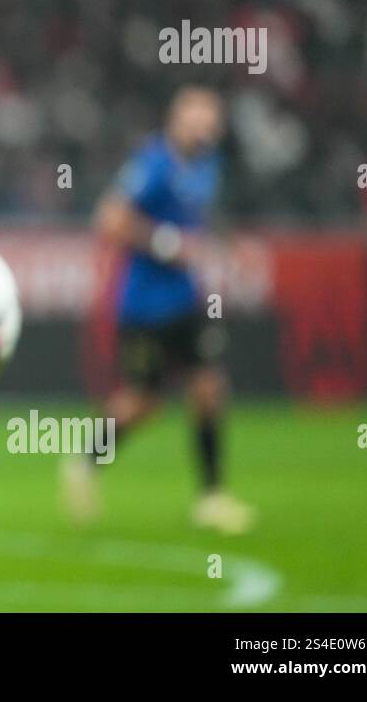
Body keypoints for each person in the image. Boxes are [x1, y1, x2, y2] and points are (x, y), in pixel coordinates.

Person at [62, 86, 256, 534]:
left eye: (211, 119)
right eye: (196, 117)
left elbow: (197, 221)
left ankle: (212, 497)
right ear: (176, 120)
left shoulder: (209, 165)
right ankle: (85, 460)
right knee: (144, 401)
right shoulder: (153, 162)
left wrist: (229, 245)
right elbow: (109, 218)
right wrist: (166, 243)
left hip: (186, 299)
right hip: (145, 306)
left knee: (209, 387)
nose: (204, 126)